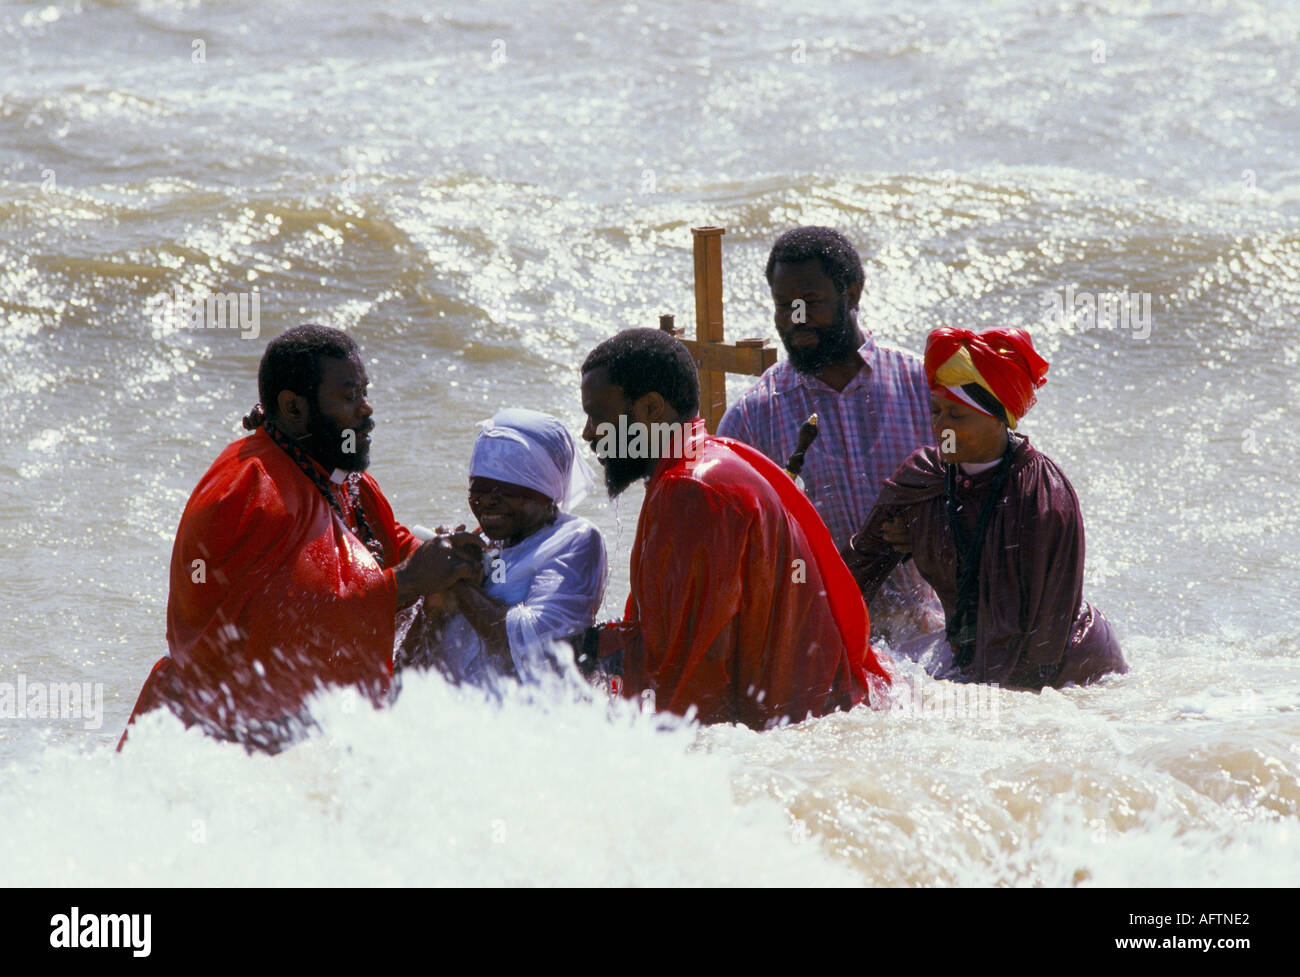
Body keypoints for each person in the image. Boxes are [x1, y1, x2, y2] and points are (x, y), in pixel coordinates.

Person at [119, 325, 483, 752]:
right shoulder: (248, 491)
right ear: (292, 408)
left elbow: (382, 545)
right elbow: (284, 629)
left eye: (365, 392)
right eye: (348, 397)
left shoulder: (340, 477)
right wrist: (408, 582)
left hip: (294, 739)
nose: (366, 411)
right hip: (211, 747)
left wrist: (447, 554)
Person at [577, 328, 891, 730]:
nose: (588, 433)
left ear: (651, 408)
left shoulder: (690, 491)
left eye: (598, 417)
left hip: (795, 742)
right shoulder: (715, 459)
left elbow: (695, 674)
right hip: (825, 718)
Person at [840, 326, 1127, 690]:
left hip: (1070, 670)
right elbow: (854, 571)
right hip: (971, 655)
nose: (940, 426)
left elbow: (1036, 634)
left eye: (956, 416)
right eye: (936, 411)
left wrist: (982, 708)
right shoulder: (921, 480)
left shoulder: (1042, 498)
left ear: (999, 417)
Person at [717, 226, 940, 642]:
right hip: (819, 648)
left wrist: (927, 536)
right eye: (783, 306)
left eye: (809, 303)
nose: (795, 319)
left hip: (928, 643)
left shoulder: (923, 388)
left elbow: (984, 502)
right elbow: (730, 556)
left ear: (852, 295)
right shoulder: (751, 419)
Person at [397, 408, 608, 686]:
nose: (486, 503)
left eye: (505, 491)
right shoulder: (476, 544)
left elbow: (537, 648)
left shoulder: (574, 539)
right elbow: (403, 673)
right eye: (478, 490)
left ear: (545, 493)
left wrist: (460, 586)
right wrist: (434, 600)